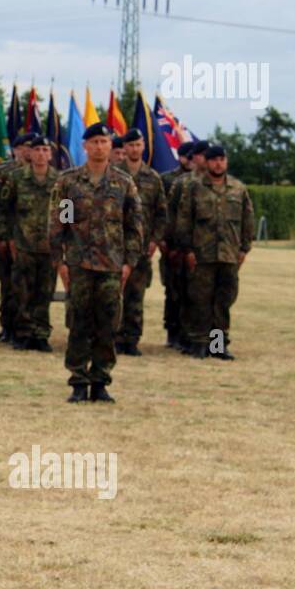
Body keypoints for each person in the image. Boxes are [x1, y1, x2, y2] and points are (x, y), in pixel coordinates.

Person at [48, 122, 143, 403]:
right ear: (85, 146)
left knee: (107, 324)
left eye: (104, 142)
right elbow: (57, 223)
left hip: (112, 266)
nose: (100, 147)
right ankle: (78, 381)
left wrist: (129, 263)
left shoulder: (124, 183)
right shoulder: (69, 182)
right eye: (95, 142)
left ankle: (101, 381)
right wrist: (60, 262)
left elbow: (134, 225)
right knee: (79, 322)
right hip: (78, 264)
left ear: (112, 146)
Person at [173, 144, 254, 360]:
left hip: (228, 255)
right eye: (214, 159)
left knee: (223, 301)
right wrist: (188, 249)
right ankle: (199, 343)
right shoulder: (194, 188)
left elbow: (248, 221)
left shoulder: (238, 189)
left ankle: (218, 345)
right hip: (202, 255)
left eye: (222, 159)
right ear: (207, 163)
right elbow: (184, 221)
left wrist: (244, 248)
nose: (218, 163)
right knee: (200, 300)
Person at [0, 136, 57, 351]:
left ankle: (41, 334)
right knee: (22, 291)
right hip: (23, 246)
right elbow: (4, 210)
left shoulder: (61, 181)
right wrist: (8, 238)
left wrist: (64, 239)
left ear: (50, 154)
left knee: (45, 292)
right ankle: (22, 333)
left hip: (50, 248)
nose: (41, 154)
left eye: (45, 149)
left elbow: (68, 213)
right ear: (29, 154)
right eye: (37, 150)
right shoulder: (16, 179)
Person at [115, 128, 169, 355]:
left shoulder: (153, 178)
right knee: (114, 295)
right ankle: (113, 337)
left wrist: (155, 240)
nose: (134, 149)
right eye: (130, 145)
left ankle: (131, 339)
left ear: (143, 146)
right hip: (115, 246)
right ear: (124, 148)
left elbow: (161, 214)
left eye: (138, 145)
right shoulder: (114, 174)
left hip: (141, 249)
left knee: (136, 295)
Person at [0, 132, 34, 342]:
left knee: (32, 286)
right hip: (9, 238)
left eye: (32, 147)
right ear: (16, 150)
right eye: (24, 147)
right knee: (8, 285)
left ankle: (30, 329)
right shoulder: (4, 171)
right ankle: (8, 326)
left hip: (34, 242)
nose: (28, 151)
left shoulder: (44, 173)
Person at [159, 140, 196, 348]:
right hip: (172, 246)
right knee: (173, 291)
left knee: (194, 291)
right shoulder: (166, 180)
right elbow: (162, 213)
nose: (191, 161)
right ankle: (172, 332)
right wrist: (163, 240)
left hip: (194, 246)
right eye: (187, 157)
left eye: (194, 157)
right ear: (180, 157)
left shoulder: (201, 181)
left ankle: (191, 334)